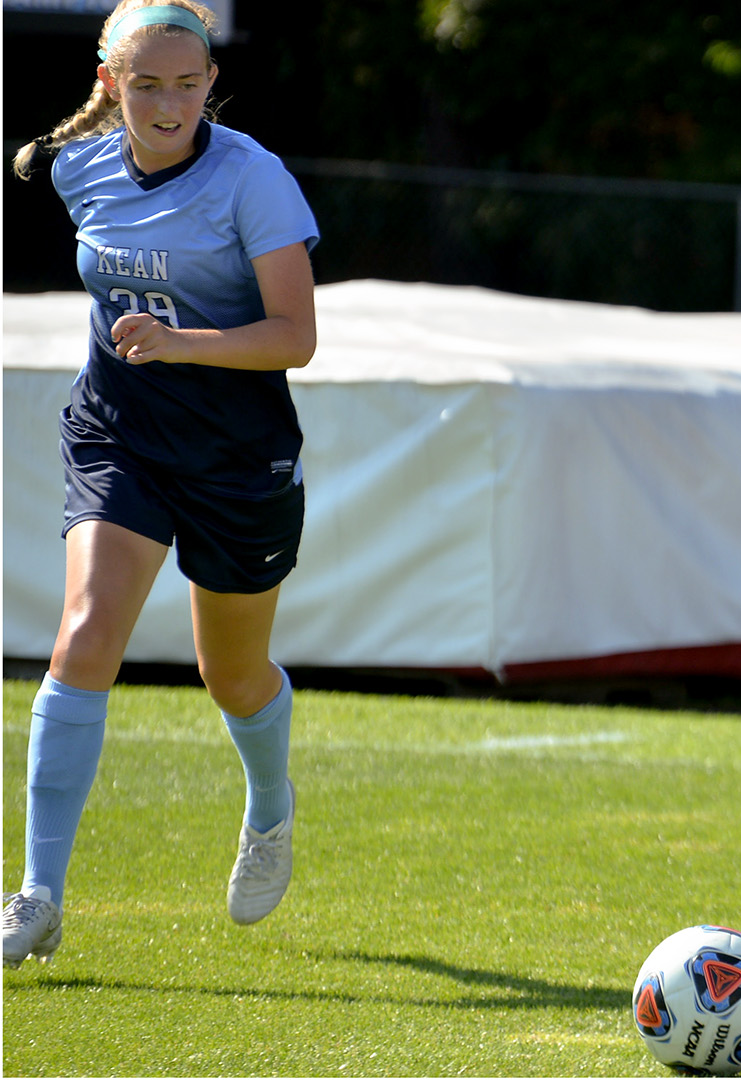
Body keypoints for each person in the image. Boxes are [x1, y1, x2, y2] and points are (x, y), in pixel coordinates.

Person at [3, 0, 319, 968]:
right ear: (111, 86)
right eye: (147, 85)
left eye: (188, 84)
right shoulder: (77, 166)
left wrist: (183, 343)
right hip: (119, 436)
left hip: (237, 460)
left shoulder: (252, 178)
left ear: (210, 85)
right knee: (86, 630)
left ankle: (269, 811)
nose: (170, 102)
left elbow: (295, 338)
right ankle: (37, 896)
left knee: (231, 676)